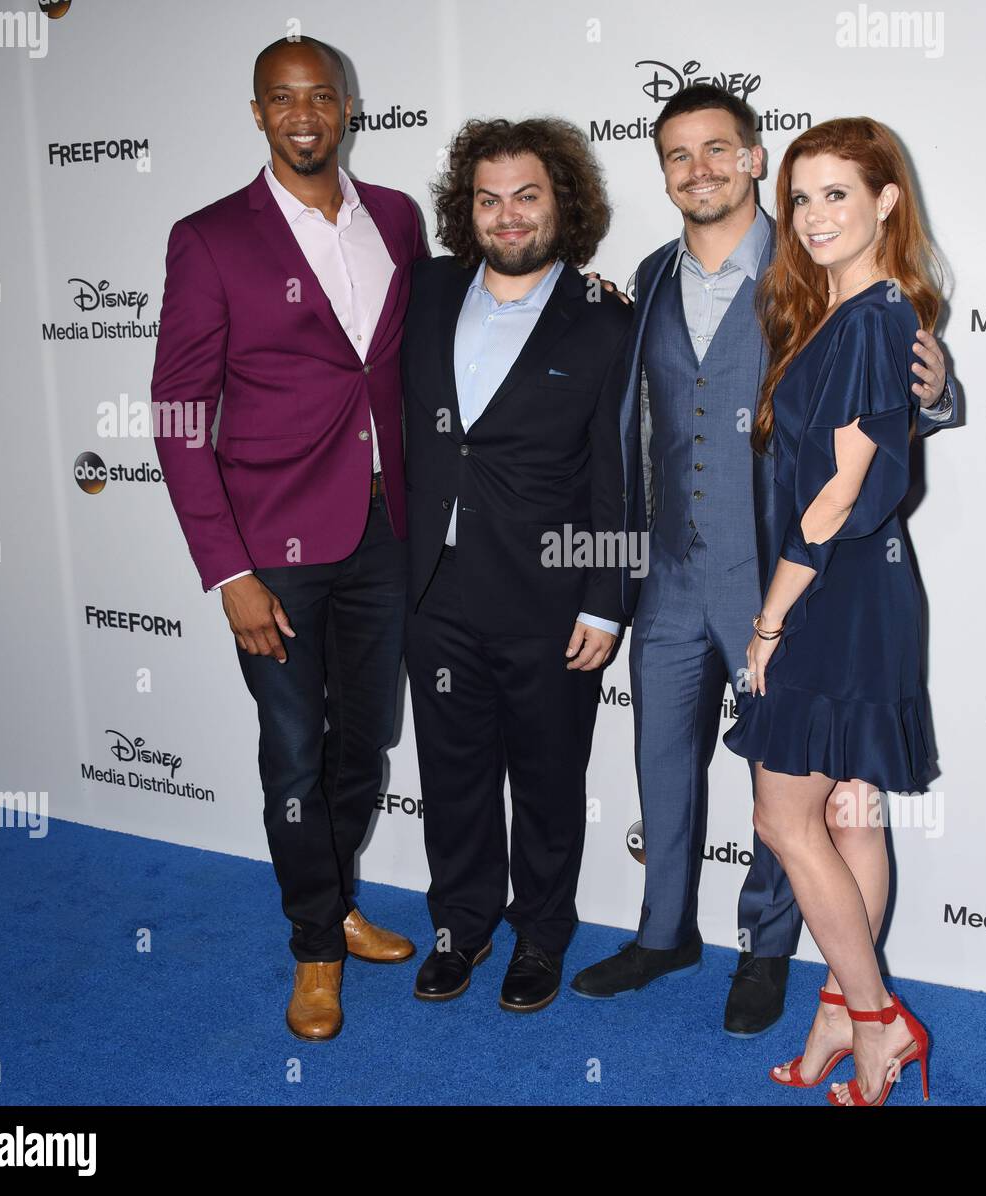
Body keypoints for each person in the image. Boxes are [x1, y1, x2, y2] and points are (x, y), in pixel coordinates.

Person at [570, 85, 956, 1037]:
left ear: (752, 158)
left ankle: (769, 949)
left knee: (781, 789)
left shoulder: (813, 255)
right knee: (663, 763)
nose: (696, 168)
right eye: (676, 155)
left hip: (781, 571)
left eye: (716, 149)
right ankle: (662, 933)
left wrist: (941, 392)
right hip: (666, 572)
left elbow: (886, 381)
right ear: (662, 172)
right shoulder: (649, 275)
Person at [151, 36, 424, 1042]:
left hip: (388, 529)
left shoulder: (396, 216)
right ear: (257, 112)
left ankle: (339, 896)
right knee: (297, 752)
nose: (303, 112)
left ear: (349, 106)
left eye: (321, 94)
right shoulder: (211, 237)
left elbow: (419, 356)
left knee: (363, 741)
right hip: (276, 547)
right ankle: (315, 943)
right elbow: (181, 410)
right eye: (282, 97)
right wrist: (229, 568)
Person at [722, 117, 941, 1105]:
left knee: (783, 813)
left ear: (886, 201)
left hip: (829, 592)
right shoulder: (851, 309)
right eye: (799, 197)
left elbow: (839, 491)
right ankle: (837, 1019)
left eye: (835, 195)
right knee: (849, 811)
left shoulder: (869, 316)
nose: (810, 215)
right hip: (862, 590)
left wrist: (768, 621)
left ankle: (878, 1020)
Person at [401, 118, 634, 1013]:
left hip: (550, 597)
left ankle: (541, 936)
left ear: (560, 204)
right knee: (451, 774)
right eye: (489, 198)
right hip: (437, 589)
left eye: (526, 196)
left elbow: (622, 478)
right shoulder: (424, 292)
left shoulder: (607, 321)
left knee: (546, 781)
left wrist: (606, 602)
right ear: (468, 209)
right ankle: (460, 928)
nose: (507, 216)